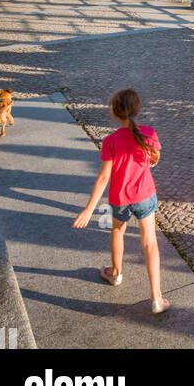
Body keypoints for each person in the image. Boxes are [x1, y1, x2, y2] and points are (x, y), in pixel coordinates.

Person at [72, 88, 169, 314]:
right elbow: (155, 157)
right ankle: (156, 297)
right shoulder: (149, 133)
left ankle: (115, 273)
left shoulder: (110, 141)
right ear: (138, 109)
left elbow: (104, 177)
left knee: (117, 232)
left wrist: (89, 209)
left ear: (114, 113)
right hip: (145, 195)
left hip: (120, 198)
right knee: (150, 242)